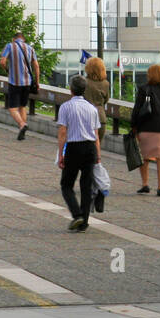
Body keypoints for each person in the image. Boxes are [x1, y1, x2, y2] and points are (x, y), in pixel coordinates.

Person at [57, 75, 102, 231]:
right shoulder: (92, 109)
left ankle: (77, 215)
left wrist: (60, 153)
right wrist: (98, 154)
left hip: (74, 147)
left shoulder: (65, 107)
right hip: (90, 147)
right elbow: (96, 134)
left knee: (66, 184)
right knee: (86, 185)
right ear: (85, 89)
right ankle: (84, 221)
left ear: (71, 89)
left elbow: (63, 132)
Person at [132, 64, 160, 196]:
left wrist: (134, 126)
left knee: (144, 158)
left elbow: (137, 109)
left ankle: (145, 184)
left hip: (145, 127)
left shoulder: (143, 89)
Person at [0, 31, 40, 141]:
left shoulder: (10, 46)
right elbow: (36, 66)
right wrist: (37, 82)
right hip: (27, 83)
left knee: (12, 108)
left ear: (14, 39)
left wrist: (7, 70)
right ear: (24, 39)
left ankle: (22, 124)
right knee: (22, 107)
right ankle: (22, 132)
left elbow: (2, 61)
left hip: (14, 82)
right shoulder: (30, 48)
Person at [84, 56, 110, 145]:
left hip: (86, 117)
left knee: (86, 146)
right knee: (96, 146)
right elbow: (106, 100)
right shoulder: (106, 84)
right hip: (100, 117)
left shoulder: (84, 82)